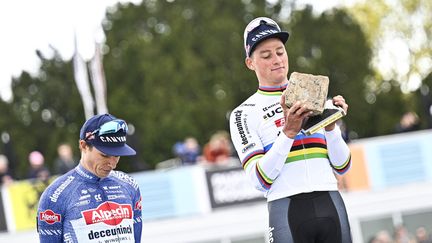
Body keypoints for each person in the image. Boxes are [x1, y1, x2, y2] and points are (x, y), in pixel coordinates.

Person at [229, 17, 352, 243]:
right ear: (250, 63)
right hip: (286, 209)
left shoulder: (315, 95)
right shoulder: (244, 113)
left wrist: (332, 127)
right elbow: (260, 179)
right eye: (266, 56)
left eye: (280, 52)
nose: (276, 60)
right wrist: (288, 134)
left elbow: (343, 166)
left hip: (330, 202)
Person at [37, 114, 142, 242]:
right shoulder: (55, 196)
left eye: (117, 155)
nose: (113, 164)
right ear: (83, 145)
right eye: (105, 155)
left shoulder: (129, 185)